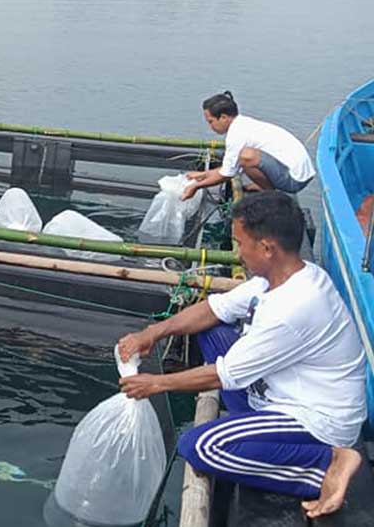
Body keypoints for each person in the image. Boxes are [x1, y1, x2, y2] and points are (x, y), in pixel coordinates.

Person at [118, 191, 367, 519]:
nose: (238, 253)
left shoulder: (295, 306)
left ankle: (326, 465)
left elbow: (222, 375)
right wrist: (153, 333)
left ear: (266, 248)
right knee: (211, 329)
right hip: (281, 390)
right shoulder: (276, 278)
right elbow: (213, 309)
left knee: (200, 447)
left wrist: (157, 384)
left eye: (240, 243)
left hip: (318, 419)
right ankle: (256, 429)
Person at [182, 91, 315, 201]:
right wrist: (204, 174)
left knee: (247, 157)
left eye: (211, 121)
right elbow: (229, 169)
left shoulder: (236, 135)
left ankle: (270, 195)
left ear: (223, 117)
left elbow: (227, 174)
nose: (210, 126)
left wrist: (195, 187)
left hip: (294, 179)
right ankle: (263, 187)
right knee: (245, 156)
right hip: (300, 172)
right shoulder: (243, 124)